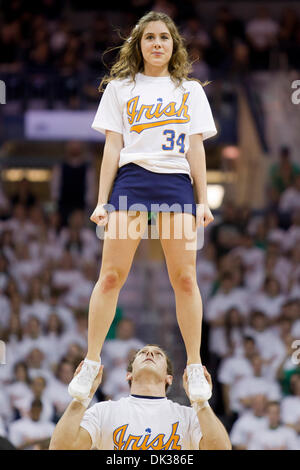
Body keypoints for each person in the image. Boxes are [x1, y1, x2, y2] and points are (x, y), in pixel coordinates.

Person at [68, 11, 217, 405]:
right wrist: (102, 201)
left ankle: (195, 365)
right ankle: (91, 361)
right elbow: (112, 148)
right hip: (131, 182)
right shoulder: (120, 88)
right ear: (138, 44)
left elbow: (196, 147)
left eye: (164, 38)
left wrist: (203, 200)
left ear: (174, 45)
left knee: (185, 279)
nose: (157, 43)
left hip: (175, 181)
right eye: (149, 37)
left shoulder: (191, 90)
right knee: (112, 275)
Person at [50, 344, 231, 450]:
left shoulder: (189, 415)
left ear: (169, 378)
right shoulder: (104, 411)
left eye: (157, 354)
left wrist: (200, 403)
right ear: (129, 374)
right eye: (142, 353)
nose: (149, 354)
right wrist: (82, 398)